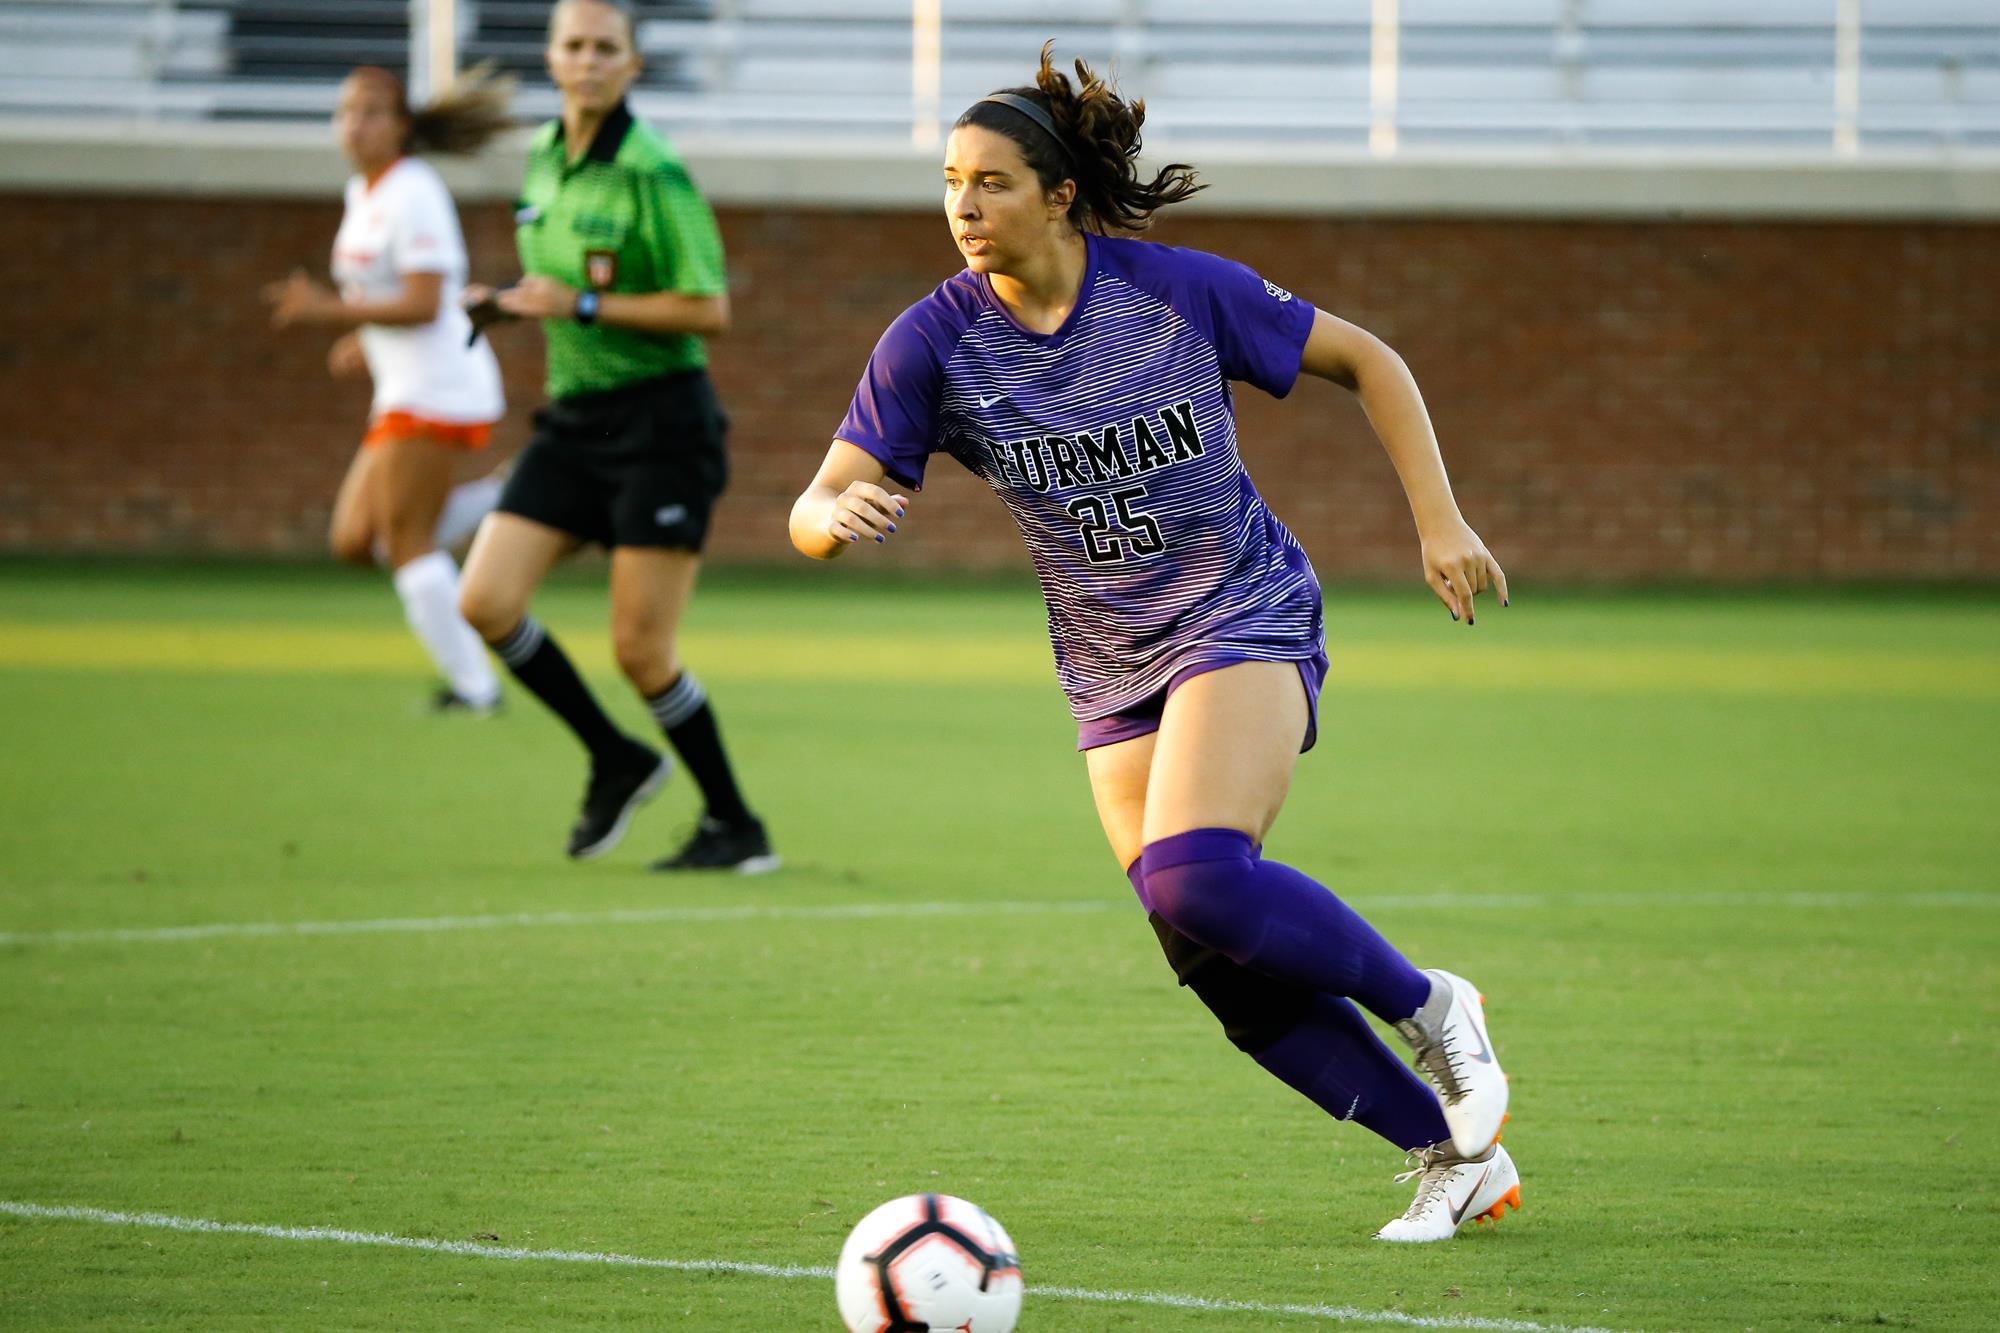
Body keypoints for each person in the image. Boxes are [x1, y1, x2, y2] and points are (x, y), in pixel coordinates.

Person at [791, 46, 1516, 1243]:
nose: (964, 208)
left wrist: (1438, 522)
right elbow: (817, 499)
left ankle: (1433, 1005)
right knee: (1207, 955)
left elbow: (1366, 360)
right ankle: (1450, 1157)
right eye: (949, 182)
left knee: (1195, 869)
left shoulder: (1176, 290)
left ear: (1059, 195)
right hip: (1105, 658)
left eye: (992, 183)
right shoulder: (931, 340)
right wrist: (831, 517)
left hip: (1241, 608)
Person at [456, 0, 776, 872]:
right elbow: (553, 281)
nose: (588, 60)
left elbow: (708, 308)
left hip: (661, 427)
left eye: (607, 48)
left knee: (641, 653)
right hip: (571, 422)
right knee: (483, 600)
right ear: (552, 60)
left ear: (632, 66)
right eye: (574, 46)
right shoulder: (542, 157)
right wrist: (506, 301)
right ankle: (617, 755)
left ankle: (735, 827)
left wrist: (584, 303)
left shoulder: (653, 169)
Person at [264, 63, 513, 717]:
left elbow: (427, 302)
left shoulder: (414, 190)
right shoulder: (364, 192)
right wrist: (361, 336)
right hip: (401, 384)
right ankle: (506, 500)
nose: (355, 123)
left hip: (439, 384)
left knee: (405, 539)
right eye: (346, 110)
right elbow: (382, 295)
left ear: (401, 127)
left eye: (372, 111)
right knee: (355, 541)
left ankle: (477, 690)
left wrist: (328, 313)